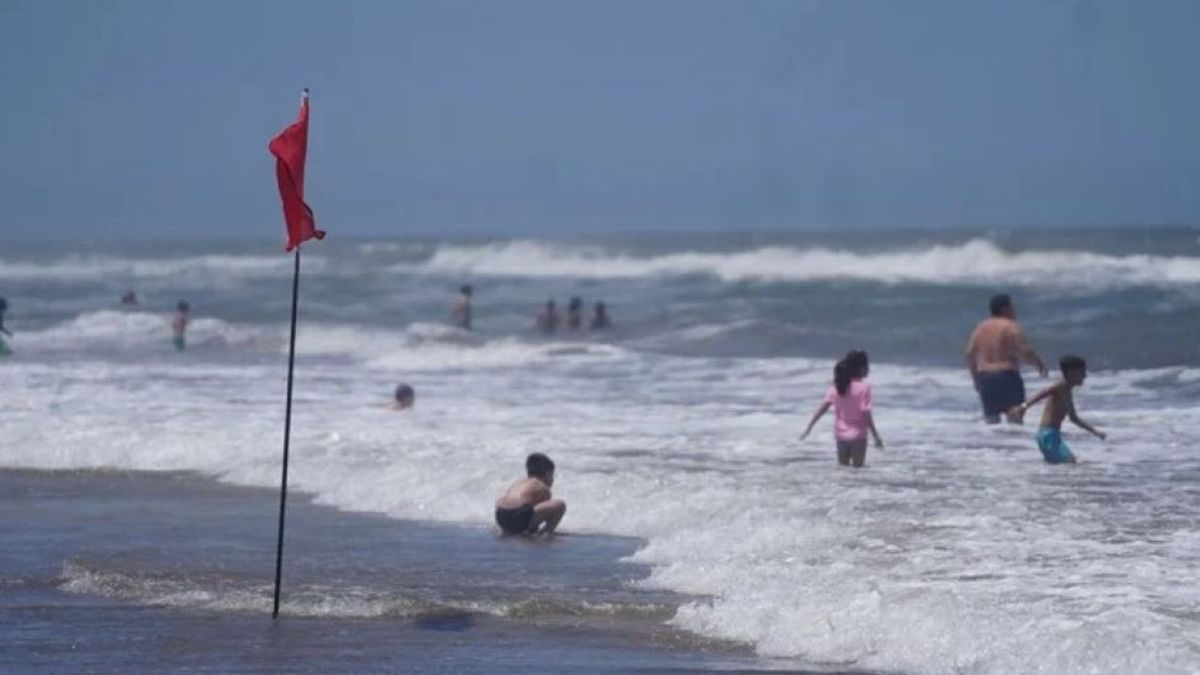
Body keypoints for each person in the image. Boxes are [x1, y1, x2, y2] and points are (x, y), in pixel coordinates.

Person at [965, 294, 1048, 423]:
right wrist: (1039, 364)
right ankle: (1014, 437)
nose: (1014, 310)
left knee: (991, 421)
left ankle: (992, 438)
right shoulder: (1011, 326)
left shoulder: (981, 328)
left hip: (986, 378)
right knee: (1015, 417)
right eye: (1012, 307)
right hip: (1007, 376)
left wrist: (975, 379)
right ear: (1004, 309)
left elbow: (969, 353)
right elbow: (1025, 350)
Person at [1009, 355, 1105, 464]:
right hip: (1048, 435)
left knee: (1064, 465)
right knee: (1071, 463)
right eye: (1082, 372)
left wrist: (1095, 432)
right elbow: (1044, 392)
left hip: (1051, 436)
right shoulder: (1061, 386)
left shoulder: (1067, 393)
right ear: (1071, 373)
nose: (1085, 376)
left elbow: (1074, 418)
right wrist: (1024, 407)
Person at [799, 350, 884, 467]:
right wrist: (876, 436)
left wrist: (809, 427)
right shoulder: (864, 388)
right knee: (858, 471)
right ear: (860, 368)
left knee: (843, 471)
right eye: (866, 366)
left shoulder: (838, 387)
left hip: (841, 436)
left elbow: (822, 409)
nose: (868, 369)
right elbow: (866, 414)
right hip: (858, 436)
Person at [494, 453, 566, 535]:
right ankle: (546, 533)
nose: (552, 480)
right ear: (547, 473)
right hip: (516, 518)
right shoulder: (542, 487)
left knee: (504, 499)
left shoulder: (519, 483)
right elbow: (539, 515)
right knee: (560, 505)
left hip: (501, 517)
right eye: (552, 475)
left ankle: (507, 530)